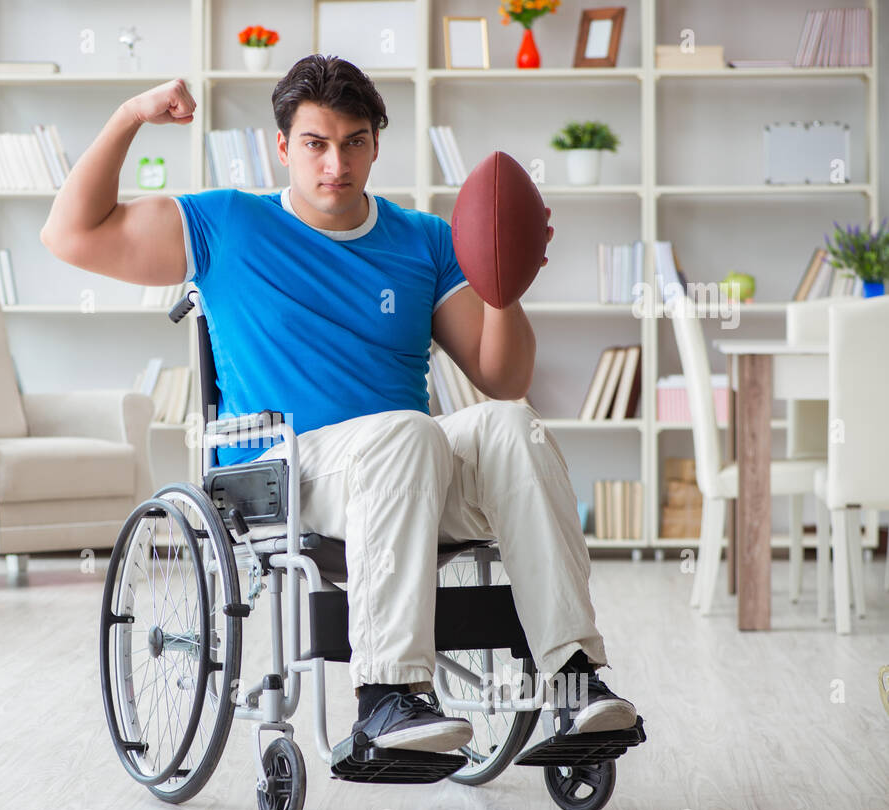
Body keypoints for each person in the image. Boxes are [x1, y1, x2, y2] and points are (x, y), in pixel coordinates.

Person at [41, 54, 639, 755]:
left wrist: (507, 285)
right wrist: (130, 115)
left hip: (407, 470)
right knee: (407, 433)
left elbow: (501, 378)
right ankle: (385, 695)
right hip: (286, 474)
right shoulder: (226, 224)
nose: (336, 164)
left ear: (376, 145)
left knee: (511, 424)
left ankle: (573, 678)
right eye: (317, 144)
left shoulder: (423, 240)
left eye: (354, 142)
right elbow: (70, 235)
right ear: (283, 147)